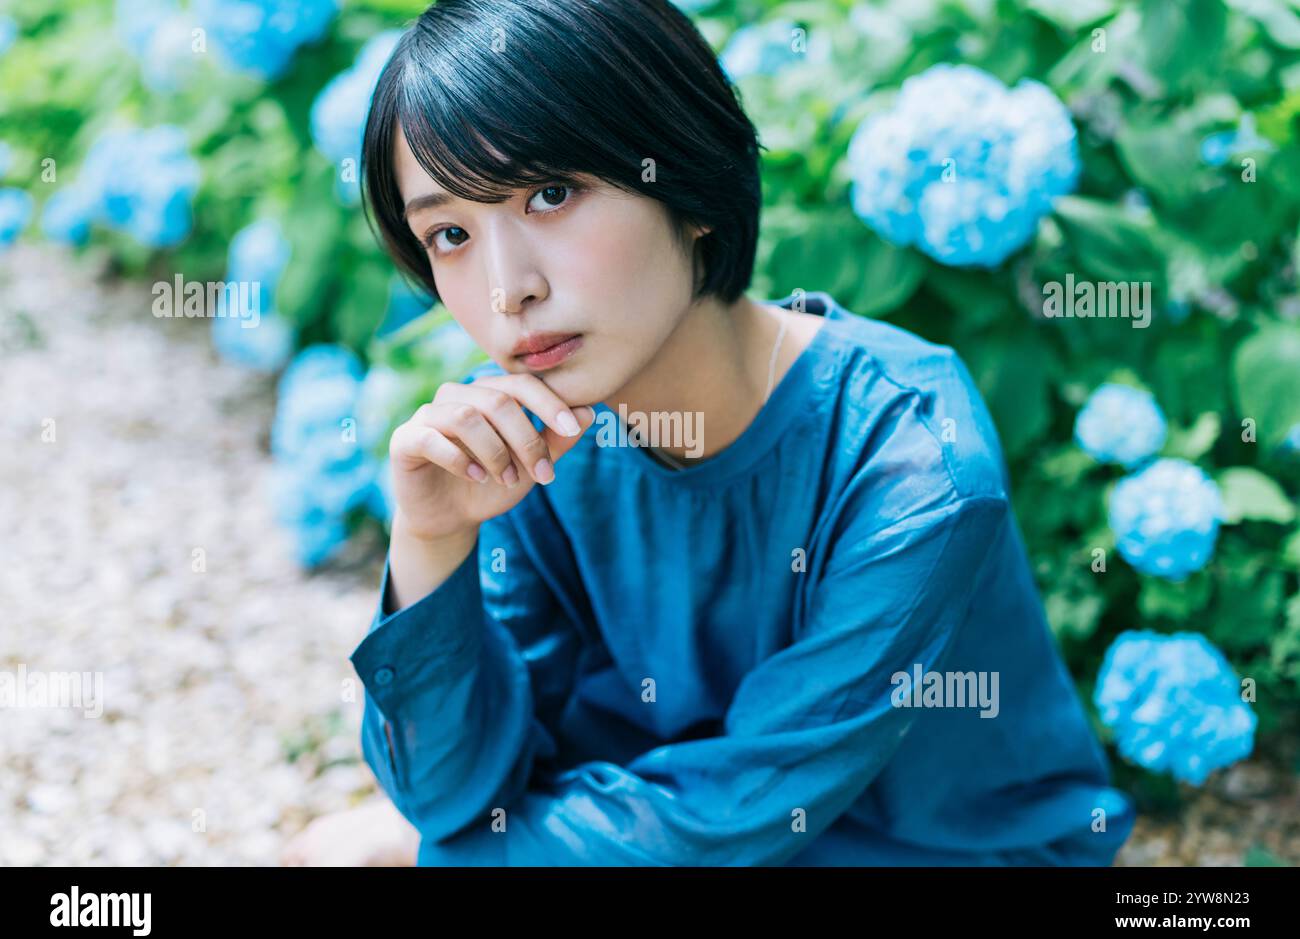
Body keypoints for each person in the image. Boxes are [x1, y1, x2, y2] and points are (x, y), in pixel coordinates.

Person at [282, 0, 1136, 867]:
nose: (508, 290)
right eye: (450, 234)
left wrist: (449, 855)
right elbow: (454, 793)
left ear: (688, 185)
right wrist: (432, 538)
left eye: (551, 194)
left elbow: (740, 810)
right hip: (650, 823)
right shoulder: (522, 435)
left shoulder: (905, 451)